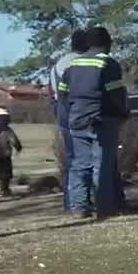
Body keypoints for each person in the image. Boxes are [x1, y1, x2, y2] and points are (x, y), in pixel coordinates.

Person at [62, 26, 129, 218]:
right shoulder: (108, 64)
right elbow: (115, 94)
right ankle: (104, 208)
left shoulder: (72, 65)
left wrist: (72, 113)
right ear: (107, 44)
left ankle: (78, 208)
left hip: (76, 119)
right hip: (102, 120)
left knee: (79, 165)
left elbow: (63, 93)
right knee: (102, 165)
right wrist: (123, 113)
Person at [52, 29, 88, 210]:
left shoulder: (58, 63)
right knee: (87, 157)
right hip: (78, 109)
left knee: (72, 157)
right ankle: (87, 200)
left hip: (61, 110)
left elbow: (54, 92)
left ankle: (70, 201)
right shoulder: (81, 62)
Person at [0, 108, 23, 197]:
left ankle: (4, 190)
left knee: (0, 171)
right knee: (7, 172)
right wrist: (18, 148)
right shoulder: (7, 129)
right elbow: (14, 140)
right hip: (5, 154)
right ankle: (4, 190)